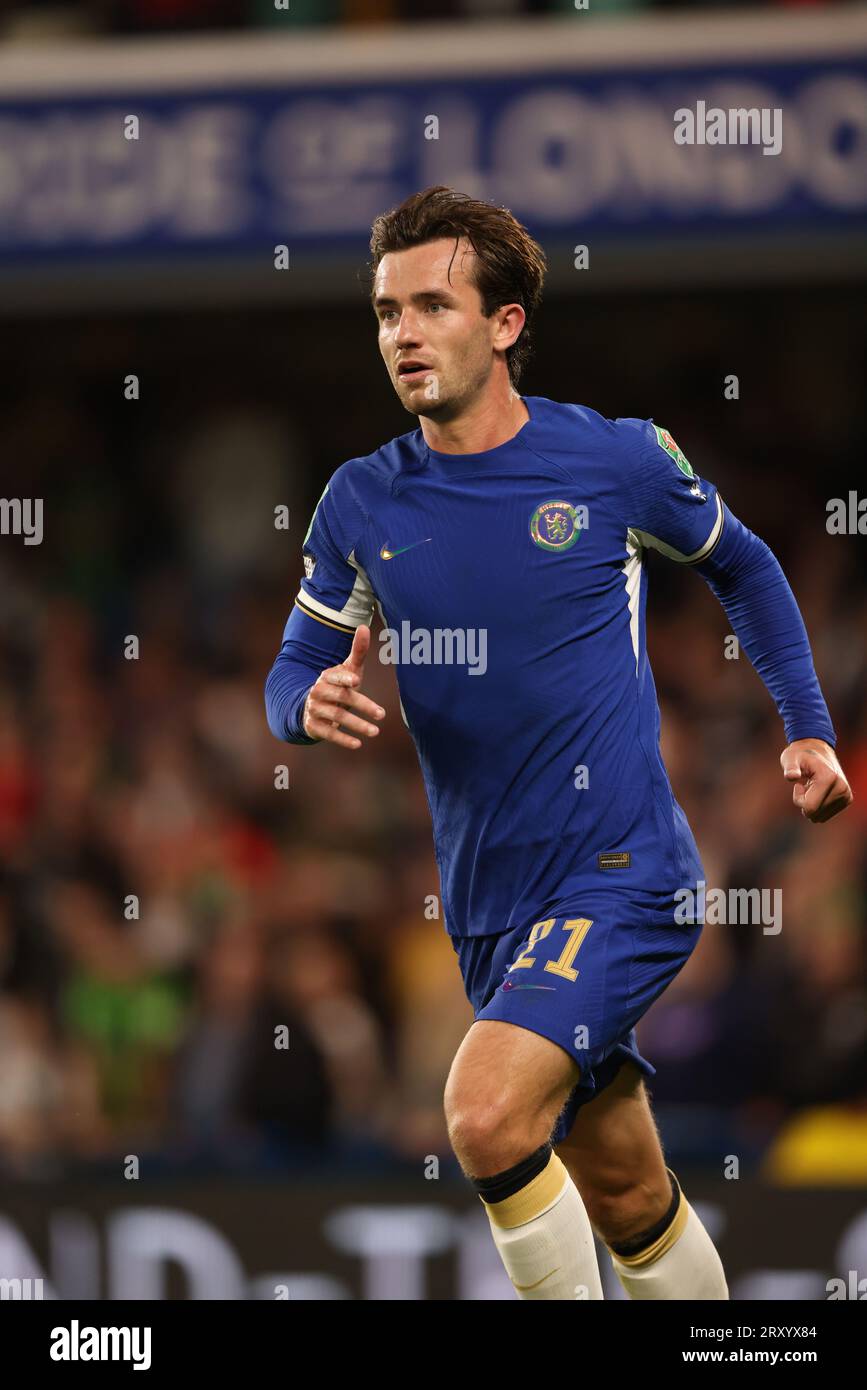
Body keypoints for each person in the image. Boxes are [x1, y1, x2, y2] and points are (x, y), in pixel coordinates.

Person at [265, 186, 852, 1300]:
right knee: (626, 1191)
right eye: (387, 311)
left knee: (485, 1114)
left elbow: (745, 563)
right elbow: (292, 669)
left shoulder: (612, 462)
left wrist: (808, 730)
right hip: (490, 904)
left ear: (505, 324)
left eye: (432, 306)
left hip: (622, 871)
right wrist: (306, 705)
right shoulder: (360, 502)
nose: (402, 334)